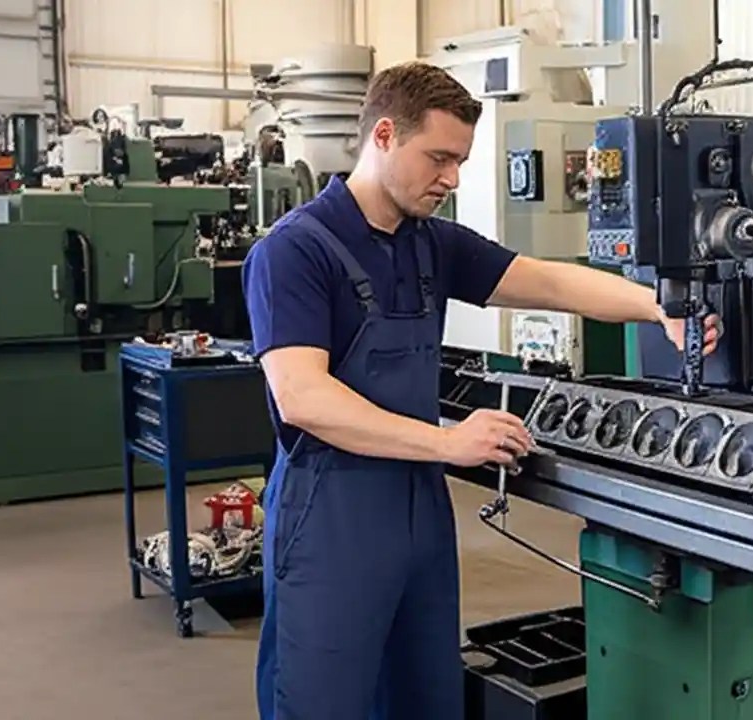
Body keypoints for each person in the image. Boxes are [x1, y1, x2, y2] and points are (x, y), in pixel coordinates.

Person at [242, 61, 720, 720]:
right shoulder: (296, 252)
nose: (452, 178)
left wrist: (655, 308)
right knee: (323, 700)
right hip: (331, 513)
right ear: (383, 136)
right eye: (438, 157)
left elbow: (549, 283)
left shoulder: (430, 244)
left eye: (460, 160)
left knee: (426, 696)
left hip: (417, 511)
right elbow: (303, 396)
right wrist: (446, 440)